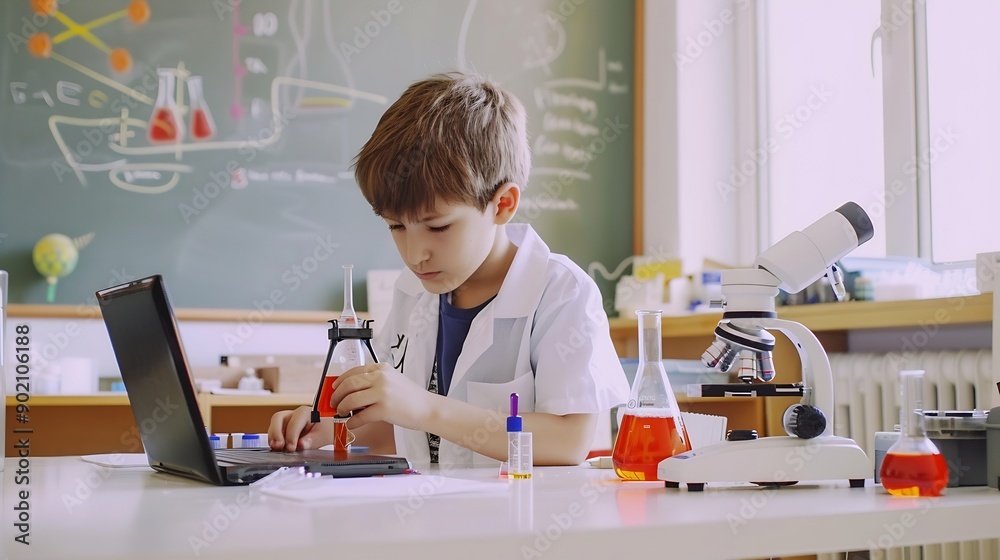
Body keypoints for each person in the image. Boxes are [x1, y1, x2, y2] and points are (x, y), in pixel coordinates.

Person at [269, 72, 629, 466]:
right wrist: (326, 431)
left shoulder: (562, 292)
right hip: (433, 503)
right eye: (396, 226)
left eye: (438, 227)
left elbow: (567, 442)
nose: (414, 255)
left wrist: (425, 407)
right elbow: (401, 423)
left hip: (520, 506)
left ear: (502, 204)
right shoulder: (414, 290)